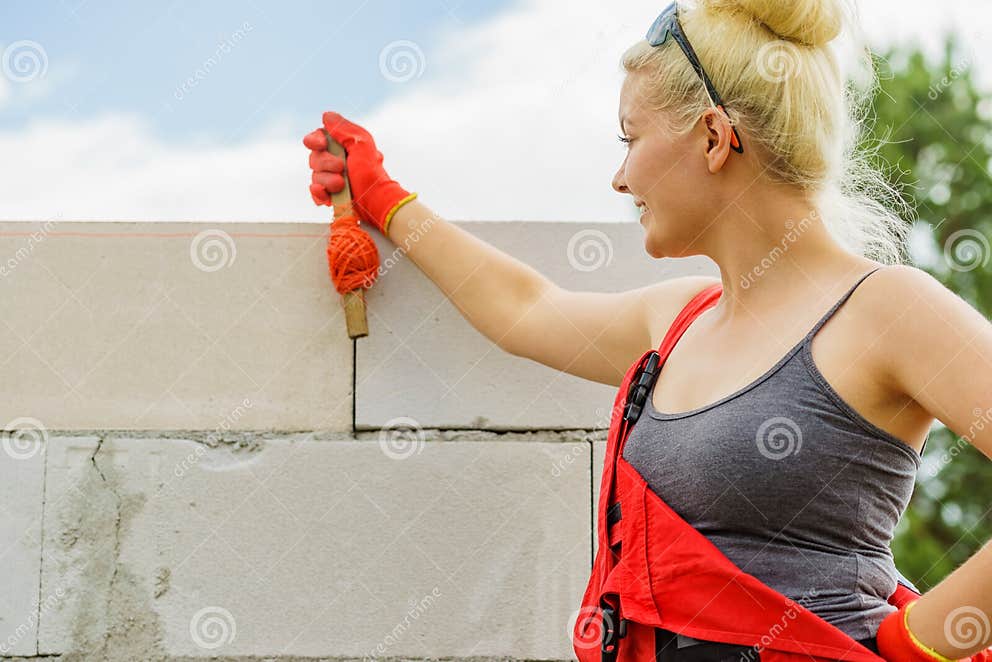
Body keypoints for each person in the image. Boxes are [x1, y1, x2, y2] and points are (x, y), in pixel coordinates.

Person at [303, 0, 992, 658]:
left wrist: (917, 641)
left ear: (715, 139)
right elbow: (524, 309)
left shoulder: (886, 309)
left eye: (630, 139)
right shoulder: (680, 318)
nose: (619, 177)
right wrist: (386, 200)